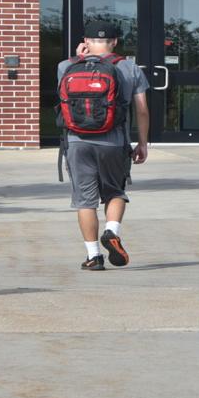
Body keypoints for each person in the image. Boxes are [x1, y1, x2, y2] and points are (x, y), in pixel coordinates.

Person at [57, 21, 149, 271]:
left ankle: (94, 256)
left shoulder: (66, 66)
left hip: (77, 142)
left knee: (85, 200)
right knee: (115, 192)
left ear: (86, 41)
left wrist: (77, 56)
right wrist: (142, 142)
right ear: (115, 42)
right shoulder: (130, 68)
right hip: (114, 142)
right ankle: (111, 230)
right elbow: (141, 110)